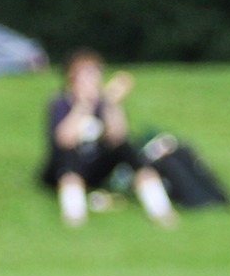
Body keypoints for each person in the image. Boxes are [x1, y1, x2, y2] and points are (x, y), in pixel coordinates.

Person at [39, 49, 177, 227]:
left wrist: (112, 103)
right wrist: (83, 105)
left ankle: (160, 209)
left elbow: (118, 135)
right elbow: (64, 139)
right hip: (65, 167)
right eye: (87, 73)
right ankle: (74, 216)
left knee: (128, 150)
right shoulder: (60, 103)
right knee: (69, 157)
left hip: (96, 164)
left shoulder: (104, 102)